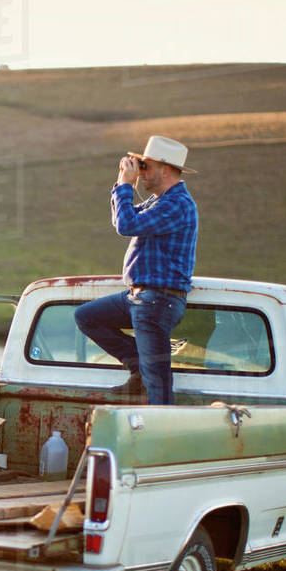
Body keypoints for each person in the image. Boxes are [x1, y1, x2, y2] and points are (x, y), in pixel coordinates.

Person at [74, 135, 199, 404]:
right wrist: (122, 184)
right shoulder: (159, 202)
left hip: (158, 300)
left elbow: (126, 225)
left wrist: (126, 185)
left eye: (146, 166)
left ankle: (161, 431)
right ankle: (138, 367)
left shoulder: (177, 204)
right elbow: (124, 217)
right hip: (140, 298)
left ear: (165, 169)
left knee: (158, 382)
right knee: (87, 317)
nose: (141, 173)